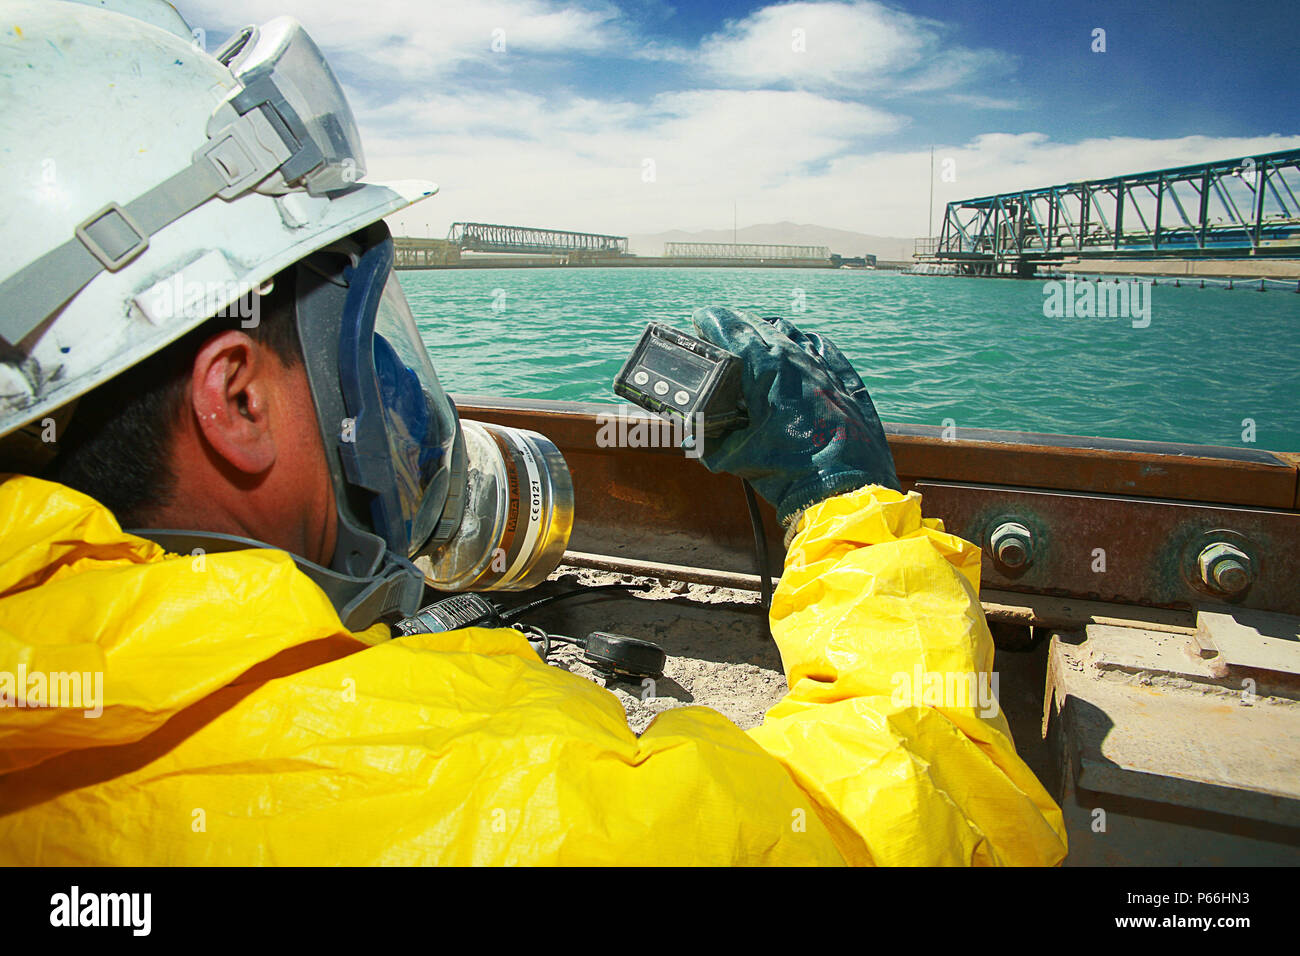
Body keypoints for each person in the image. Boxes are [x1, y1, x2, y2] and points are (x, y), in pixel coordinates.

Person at [0, 1, 1067, 865]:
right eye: (358, 353)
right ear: (235, 401)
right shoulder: (492, 807)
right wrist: (846, 508)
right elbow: (921, 822)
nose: (394, 402)